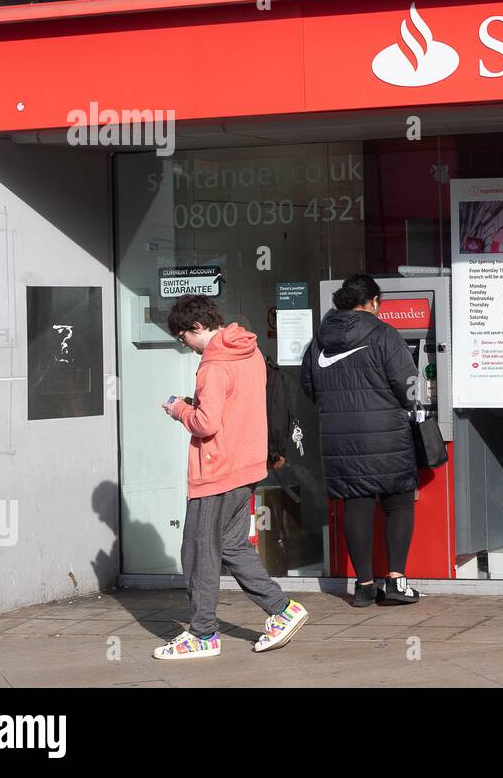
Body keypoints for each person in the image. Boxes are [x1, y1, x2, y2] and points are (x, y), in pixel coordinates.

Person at [155, 295, 309, 659]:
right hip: (248, 465)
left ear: (196, 327)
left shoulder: (214, 366)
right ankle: (282, 610)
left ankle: (203, 634)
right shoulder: (249, 350)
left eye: (182, 338)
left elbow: (207, 423)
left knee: (197, 552)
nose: (184, 345)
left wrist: (179, 409)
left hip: (217, 470)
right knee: (231, 545)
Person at [301, 274, 422, 608]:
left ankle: (364, 586)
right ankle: (396, 582)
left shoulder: (319, 341)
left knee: (356, 503)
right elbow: (409, 386)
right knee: (398, 500)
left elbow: (309, 387)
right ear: (373, 301)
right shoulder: (384, 334)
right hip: (385, 433)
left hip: (339, 437)